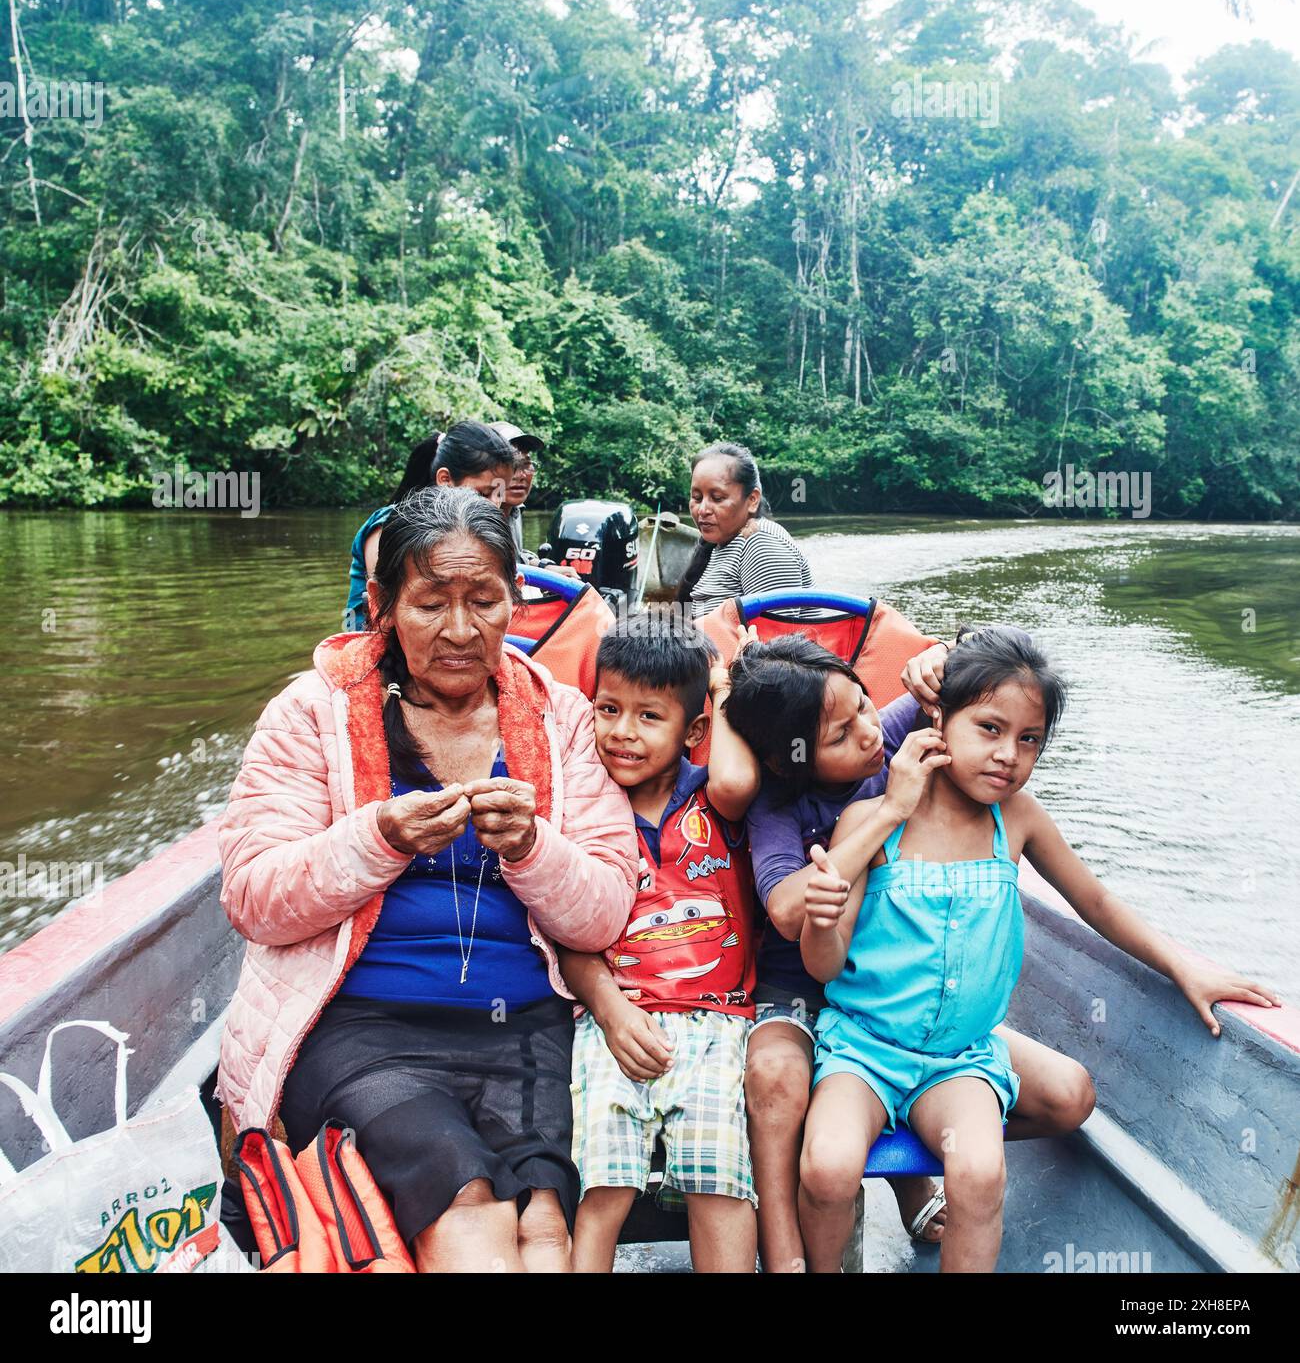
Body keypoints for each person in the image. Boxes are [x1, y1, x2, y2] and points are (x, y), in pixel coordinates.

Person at [218, 486, 638, 1273]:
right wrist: (375, 838)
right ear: (381, 606)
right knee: (467, 1216)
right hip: (363, 1026)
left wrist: (531, 847)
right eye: (429, 603)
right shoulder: (313, 713)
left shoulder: (563, 719)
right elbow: (253, 898)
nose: (458, 630)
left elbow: (604, 914)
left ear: (514, 602)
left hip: (524, 1023)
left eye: (484, 600)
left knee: (544, 1228)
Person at [795, 626, 1280, 1272]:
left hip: (957, 1057)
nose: (1008, 756)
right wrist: (821, 921)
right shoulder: (872, 820)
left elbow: (1097, 904)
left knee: (979, 1173)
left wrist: (1181, 966)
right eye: (990, 729)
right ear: (938, 717)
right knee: (827, 1168)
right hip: (864, 1047)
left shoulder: (1016, 819)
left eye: (1029, 740)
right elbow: (822, 967)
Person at [720, 634, 1097, 1271]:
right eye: (841, 736)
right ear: (793, 759)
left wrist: (937, 658)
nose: (870, 735)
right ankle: (794, 1257)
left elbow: (952, 692)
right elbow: (795, 918)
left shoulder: (879, 737)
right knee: (801, 1117)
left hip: (919, 1008)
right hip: (820, 994)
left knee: (1018, 1126)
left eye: (866, 708)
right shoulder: (781, 805)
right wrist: (891, 807)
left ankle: (914, 1167)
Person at [559, 613, 764, 1272]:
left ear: (694, 731)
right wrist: (614, 1014)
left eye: (650, 717)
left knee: (717, 1175)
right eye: (608, 709)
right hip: (613, 1018)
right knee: (603, 1184)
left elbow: (734, 779)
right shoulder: (584, 808)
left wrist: (724, 689)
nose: (621, 733)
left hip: (719, 1018)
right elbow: (566, 931)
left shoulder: (717, 801)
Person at [343, 419, 517, 630]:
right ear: (444, 479)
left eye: (499, 494)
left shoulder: (470, 529)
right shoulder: (389, 526)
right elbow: (385, 613)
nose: (494, 505)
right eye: (483, 493)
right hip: (375, 640)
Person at [674, 442, 812, 618]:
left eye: (717, 498)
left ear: (752, 500)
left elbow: (777, 641)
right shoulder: (717, 545)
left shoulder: (762, 543)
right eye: (697, 497)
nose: (702, 509)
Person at [488, 420, 546, 564]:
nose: (520, 475)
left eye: (526, 464)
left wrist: (542, 565)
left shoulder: (514, 509)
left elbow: (514, 557)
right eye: (510, 465)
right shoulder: (470, 518)